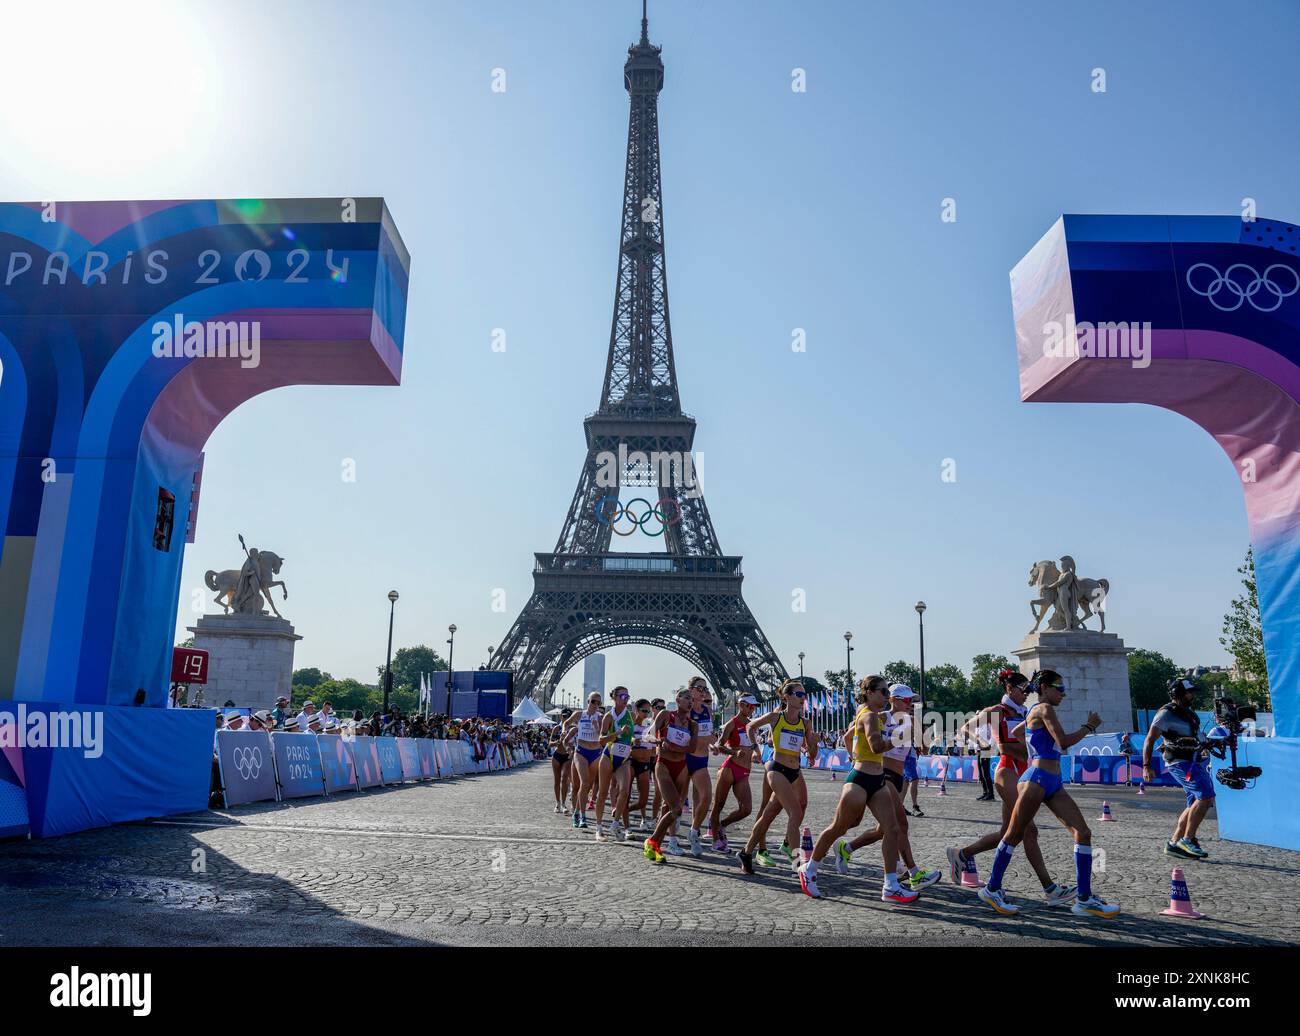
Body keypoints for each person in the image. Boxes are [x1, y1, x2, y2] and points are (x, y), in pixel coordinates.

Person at [975, 670, 1119, 919]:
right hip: (1037, 779)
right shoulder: (1044, 709)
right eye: (1059, 688)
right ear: (1044, 687)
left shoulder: (1033, 712)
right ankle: (991, 888)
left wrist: (1032, 745)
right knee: (1013, 834)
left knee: (1083, 833)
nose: (1063, 693)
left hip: (1051, 781)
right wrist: (1088, 726)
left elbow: (1020, 733)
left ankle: (1084, 899)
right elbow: (1062, 742)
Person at [944, 671, 1075, 907]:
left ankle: (961, 854)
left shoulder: (1026, 712)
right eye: (1022, 689)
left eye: (1027, 690)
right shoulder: (997, 711)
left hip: (1025, 771)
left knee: (1008, 832)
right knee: (1029, 830)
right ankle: (1049, 888)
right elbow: (965, 728)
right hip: (1007, 771)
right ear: (1009, 689)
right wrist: (982, 743)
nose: (1026, 694)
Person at [795, 677, 915, 902]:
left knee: (892, 829)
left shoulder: (873, 715)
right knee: (839, 827)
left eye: (888, 691)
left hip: (877, 779)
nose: (886, 695)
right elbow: (876, 746)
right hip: (860, 780)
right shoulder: (869, 715)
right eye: (882, 691)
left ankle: (890, 884)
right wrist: (899, 739)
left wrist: (854, 753)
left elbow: (852, 738)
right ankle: (809, 869)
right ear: (869, 692)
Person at [835, 684, 941, 893]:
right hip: (883, 775)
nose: (910, 704)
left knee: (884, 829)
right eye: (906, 700)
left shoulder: (912, 721)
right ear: (893, 699)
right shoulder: (880, 717)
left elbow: (925, 747)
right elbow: (848, 737)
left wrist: (922, 734)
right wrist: (854, 758)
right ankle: (913, 873)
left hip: (899, 777)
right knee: (901, 823)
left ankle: (847, 848)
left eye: (912, 701)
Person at [738, 679, 819, 877]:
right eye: (799, 695)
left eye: (804, 695)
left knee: (771, 814)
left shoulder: (805, 723)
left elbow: (812, 754)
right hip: (777, 769)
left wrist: (813, 744)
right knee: (795, 813)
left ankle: (746, 853)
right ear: (787, 697)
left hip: (795, 770)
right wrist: (755, 750)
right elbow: (750, 727)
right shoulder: (775, 717)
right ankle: (798, 862)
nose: (803, 698)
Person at [1144, 677, 1214, 860]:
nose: (1193, 696)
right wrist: (1146, 765)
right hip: (1179, 762)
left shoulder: (1190, 715)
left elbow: (1199, 738)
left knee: (1194, 804)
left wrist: (1210, 742)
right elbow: (1150, 739)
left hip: (1194, 761)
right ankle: (1188, 840)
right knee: (1206, 796)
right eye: (1189, 693)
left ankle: (1174, 844)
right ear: (1178, 694)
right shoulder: (1165, 713)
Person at [643, 688, 698, 864]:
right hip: (664, 765)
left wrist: (673, 747)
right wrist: (659, 741)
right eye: (687, 698)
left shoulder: (692, 725)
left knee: (668, 809)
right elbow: (648, 736)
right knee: (677, 809)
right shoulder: (666, 715)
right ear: (678, 699)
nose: (690, 701)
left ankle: (656, 847)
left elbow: (692, 748)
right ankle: (651, 841)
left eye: (692, 699)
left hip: (681, 766)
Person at [707, 692, 761, 852]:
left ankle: (722, 826)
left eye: (754, 707)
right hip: (729, 768)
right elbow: (719, 745)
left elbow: (752, 745)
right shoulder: (732, 723)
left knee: (746, 809)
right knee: (718, 805)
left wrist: (756, 754)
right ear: (741, 705)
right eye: (750, 706)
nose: (752, 709)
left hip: (744, 770)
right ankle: (716, 841)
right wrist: (734, 753)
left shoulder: (752, 725)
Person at [594, 687, 635, 842]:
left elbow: (629, 737)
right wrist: (618, 733)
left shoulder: (630, 715)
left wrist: (633, 740)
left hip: (624, 757)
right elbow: (601, 740)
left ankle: (616, 823)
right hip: (609, 756)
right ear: (615, 698)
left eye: (628, 696)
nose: (626, 699)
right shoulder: (608, 717)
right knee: (603, 793)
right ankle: (599, 828)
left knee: (625, 791)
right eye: (623, 696)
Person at [683, 676, 716, 857]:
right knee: (677, 802)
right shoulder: (685, 712)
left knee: (704, 798)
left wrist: (715, 745)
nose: (703, 692)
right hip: (685, 758)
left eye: (705, 688)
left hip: (701, 759)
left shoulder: (707, 710)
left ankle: (694, 832)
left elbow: (709, 735)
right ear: (691, 690)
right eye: (699, 688)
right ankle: (671, 838)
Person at [571, 693, 605, 830]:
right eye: (593, 702)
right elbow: (566, 724)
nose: (596, 705)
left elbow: (602, 736)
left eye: (598, 703)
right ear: (588, 701)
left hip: (595, 753)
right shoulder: (579, 714)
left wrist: (597, 727)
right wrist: (563, 731)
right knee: (584, 783)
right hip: (581, 752)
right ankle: (582, 816)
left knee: (588, 786)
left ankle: (576, 812)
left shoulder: (601, 717)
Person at [627, 699, 656, 830]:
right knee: (626, 793)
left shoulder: (651, 725)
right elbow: (626, 739)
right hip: (632, 761)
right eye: (644, 711)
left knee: (643, 799)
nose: (646, 713)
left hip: (646, 762)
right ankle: (626, 824)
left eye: (648, 711)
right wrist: (633, 740)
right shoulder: (631, 724)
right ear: (636, 711)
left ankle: (624, 810)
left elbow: (655, 745)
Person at [549, 708, 576, 813]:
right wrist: (558, 741)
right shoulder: (557, 728)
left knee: (564, 778)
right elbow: (550, 744)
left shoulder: (573, 729)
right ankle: (558, 803)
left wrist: (570, 746)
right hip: (557, 756)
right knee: (557, 780)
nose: (566, 718)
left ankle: (564, 804)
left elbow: (576, 744)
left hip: (567, 757)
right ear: (561, 716)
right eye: (564, 716)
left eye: (568, 716)